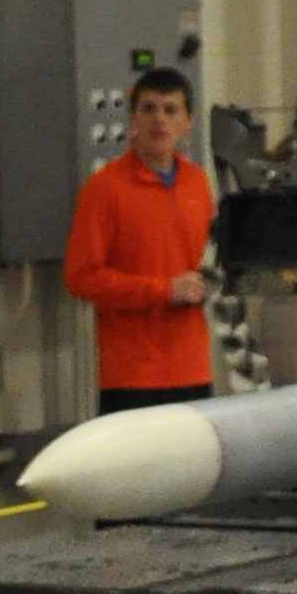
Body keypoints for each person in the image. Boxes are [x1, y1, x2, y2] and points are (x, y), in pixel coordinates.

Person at [63, 68, 214, 409]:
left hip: (193, 368)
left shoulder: (197, 184)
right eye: (149, 108)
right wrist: (163, 290)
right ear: (133, 118)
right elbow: (82, 277)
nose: (159, 119)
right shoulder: (104, 189)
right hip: (133, 375)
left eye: (170, 110)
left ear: (188, 122)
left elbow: (208, 262)